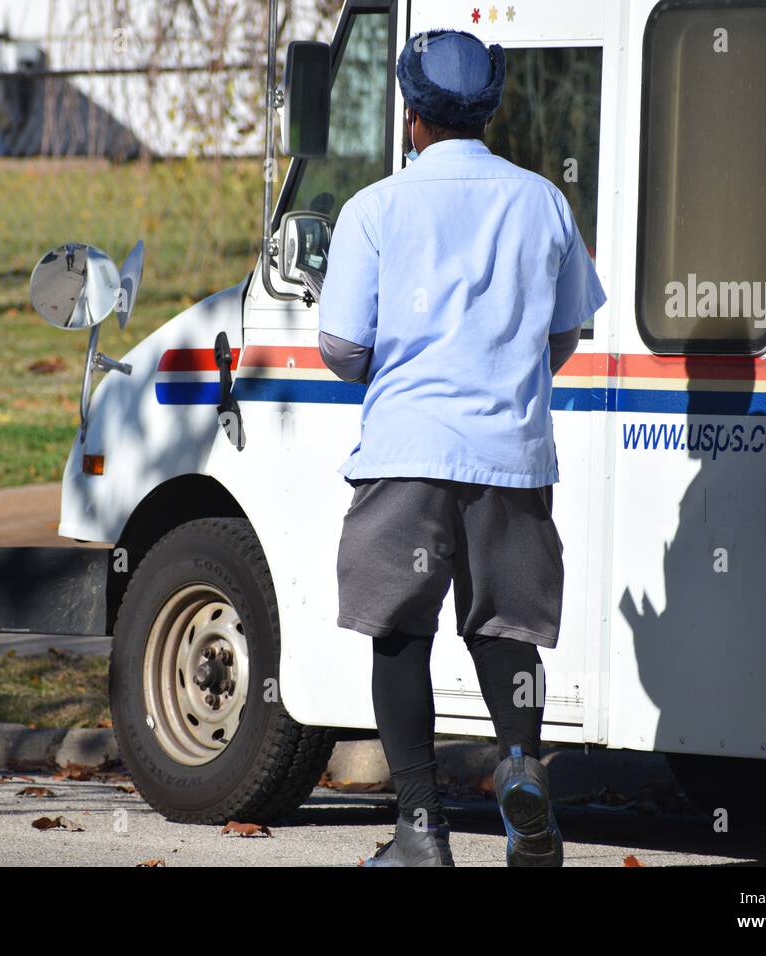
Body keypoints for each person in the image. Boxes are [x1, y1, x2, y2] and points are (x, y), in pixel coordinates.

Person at [316, 29, 607, 867]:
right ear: (491, 110)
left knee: (402, 634)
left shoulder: (376, 208)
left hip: (407, 453)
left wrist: (390, 368)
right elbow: (566, 331)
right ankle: (520, 771)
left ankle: (419, 832)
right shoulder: (542, 201)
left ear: (411, 116)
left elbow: (340, 344)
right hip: (511, 457)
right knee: (504, 630)